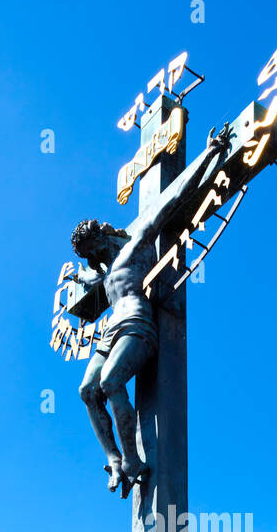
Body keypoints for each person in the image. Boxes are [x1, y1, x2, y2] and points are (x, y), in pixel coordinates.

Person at [71, 123, 231, 496]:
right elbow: (89, 287)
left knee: (111, 382)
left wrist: (210, 154)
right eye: (89, 254)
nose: (94, 256)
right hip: (112, 330)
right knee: (87, 391)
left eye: (94, 247)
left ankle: (132, 459)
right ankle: (113, 458)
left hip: (137, 323)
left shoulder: (137, 241)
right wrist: (82, 283)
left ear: (104, 235)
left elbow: (173, 197)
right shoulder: (105, 273)